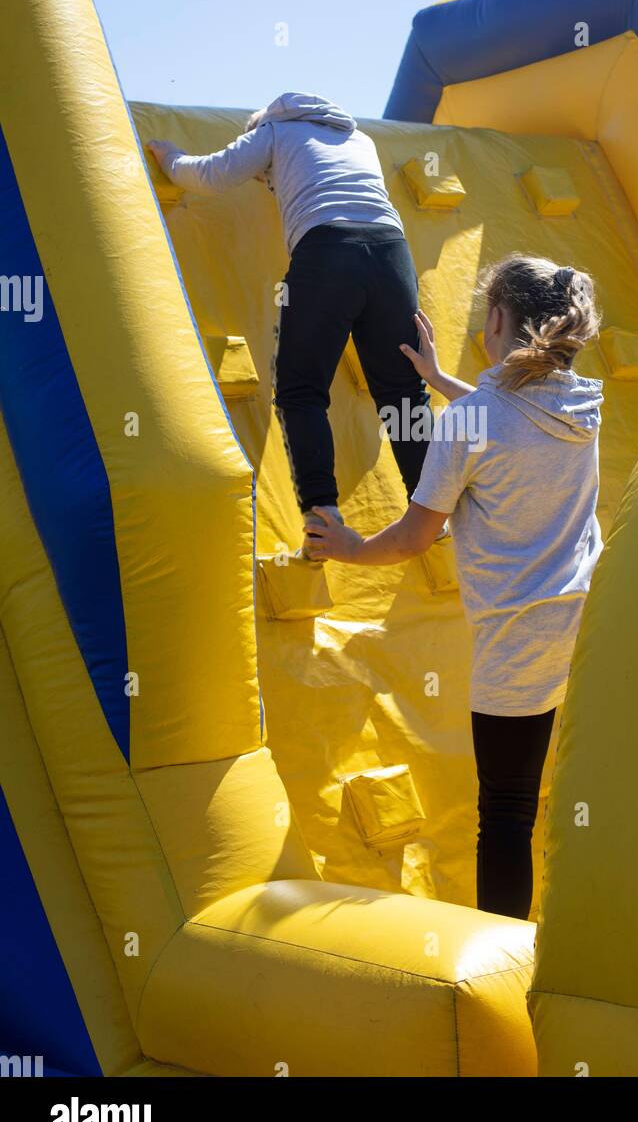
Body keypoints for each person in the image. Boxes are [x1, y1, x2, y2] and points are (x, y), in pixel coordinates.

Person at [307, 255, 604, 919]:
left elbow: (417, 536)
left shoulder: (468, 425)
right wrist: (440, 380)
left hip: (519, 642)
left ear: (496, 320)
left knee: (506, 810)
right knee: (584, 797)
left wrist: (351, 548)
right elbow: (515, 418)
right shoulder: (583, 402)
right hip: (590, 627)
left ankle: (504, 954)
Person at [148, 93, 430, 554]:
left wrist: (170, 156)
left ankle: (322, 516)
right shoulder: (359, 138)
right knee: (403, 392)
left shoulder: (273, 132)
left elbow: (213, 174)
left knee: (301, 390)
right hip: (392, 255)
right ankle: (433, 509)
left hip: (328, 251)